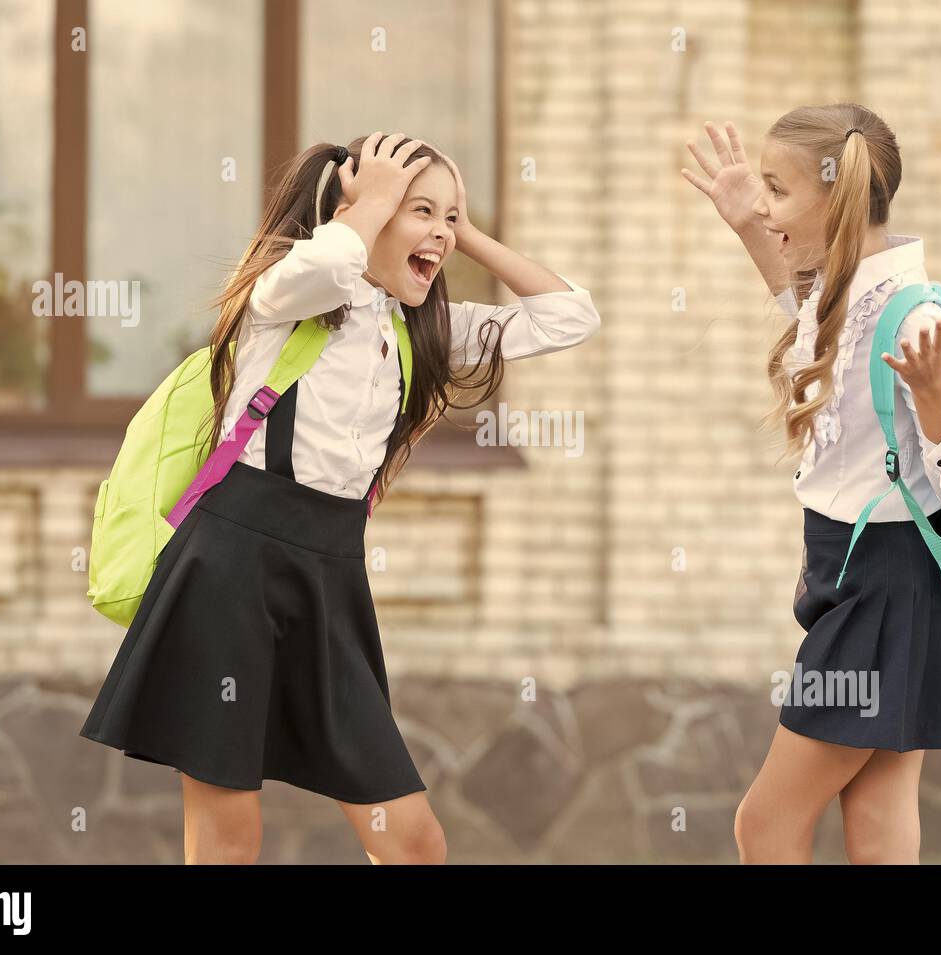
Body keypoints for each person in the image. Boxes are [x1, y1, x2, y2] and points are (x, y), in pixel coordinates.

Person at [80, 132, 601, 864]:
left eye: (449, 217)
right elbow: (325, 262)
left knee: (414, 841)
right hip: (228, 566)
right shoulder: (284, 302)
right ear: (362, 210)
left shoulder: (423, 330)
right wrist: (371, 202)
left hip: (331, 578)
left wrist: (467, 230)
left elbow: (569, 317)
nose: (441, 234)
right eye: (420, 211)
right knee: (229, 840)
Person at [682, 104, 941, 864]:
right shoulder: (851, 293)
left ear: (835, 196)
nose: (764, 204)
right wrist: (752, 230)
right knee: (878, 828)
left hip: (884, 595)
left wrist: (938, 399)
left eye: (777, 191)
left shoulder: (913, 314)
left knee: (765, 822)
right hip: (870, 588)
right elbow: (814, 326)